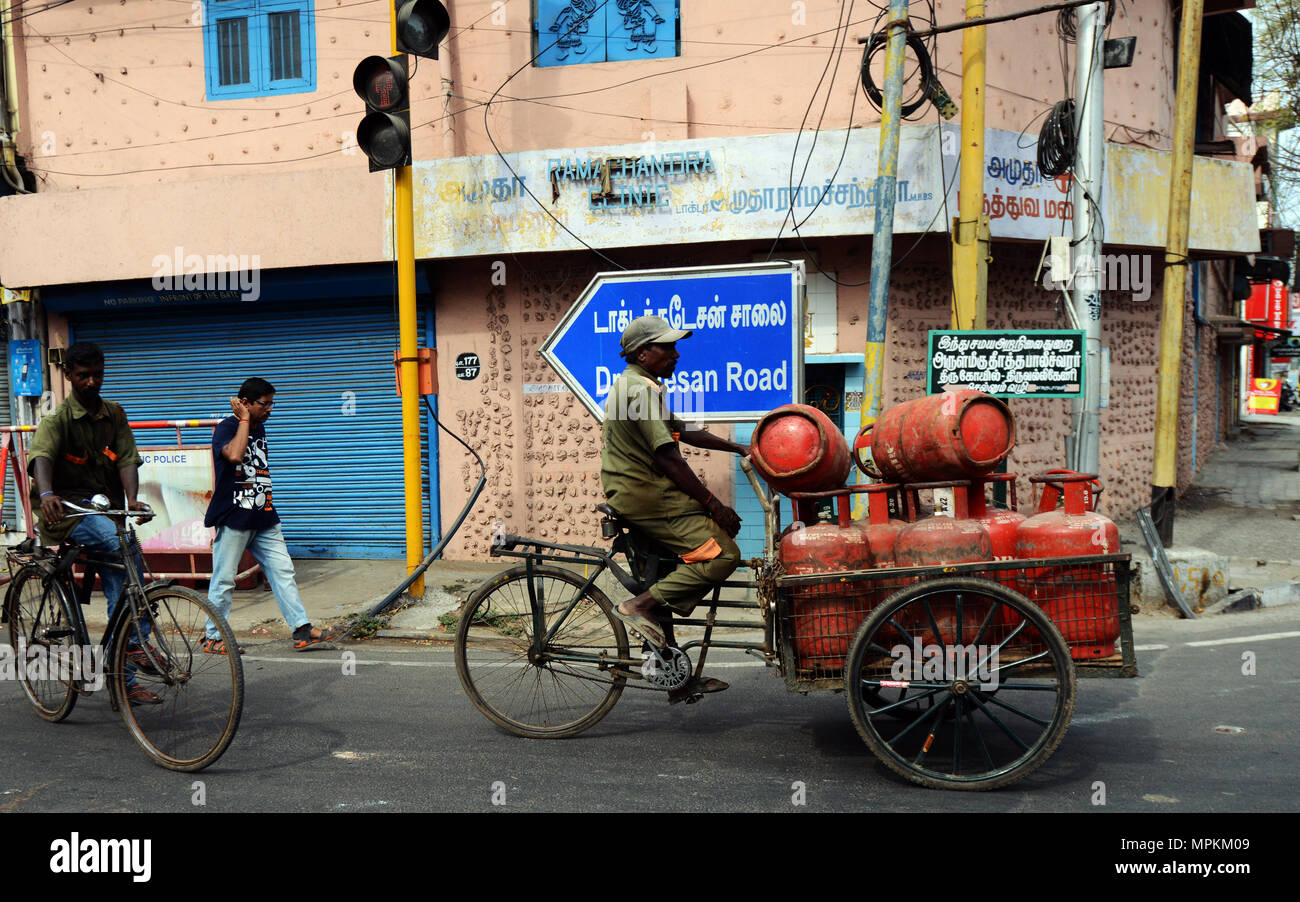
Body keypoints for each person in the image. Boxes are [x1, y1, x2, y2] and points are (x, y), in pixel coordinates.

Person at [600, 315, 748, 701]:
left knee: (664, 573)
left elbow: (684, 431)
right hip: (647, 494)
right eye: (667, 347)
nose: (675, 354)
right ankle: (639, 606)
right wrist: (714, 504)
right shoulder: (639, 391)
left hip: (642, 491)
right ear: (642, 353)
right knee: (723, 555)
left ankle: (674, 676)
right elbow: (668, 457)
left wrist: (742, 448)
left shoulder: (638, 386)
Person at [27, 342, 160, 705]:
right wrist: (48, 492)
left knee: (126, 574)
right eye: (82, 376)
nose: (90, 382)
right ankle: (134, 645)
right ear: (69, 375)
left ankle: (124, 679)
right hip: (65, 513)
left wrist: (132, 500)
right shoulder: (57, 421)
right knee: (123, 547)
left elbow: (127, 459)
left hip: (104, 511)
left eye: (97, 375)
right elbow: (40, 456)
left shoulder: (114, 414)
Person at [204, 378, 336, 652]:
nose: (270, 409)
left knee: (283, 571)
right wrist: (242, 421)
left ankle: (301, 629)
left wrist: (250, 422)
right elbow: (235, 456)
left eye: (272, 403)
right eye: (265, 404)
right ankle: (213, 637)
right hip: (234, 517)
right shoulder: (226, 428)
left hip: (263, 516)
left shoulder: (259, 427)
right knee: (225, 578)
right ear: (244, 403)